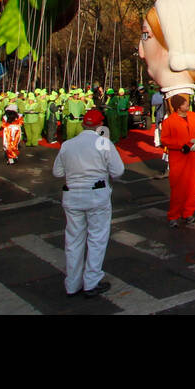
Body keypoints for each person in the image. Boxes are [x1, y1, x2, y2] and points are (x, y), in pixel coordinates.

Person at [53, 107, 125, 297]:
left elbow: (57, 172)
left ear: (83, 124)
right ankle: (91, 282)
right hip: (96, 195)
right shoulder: (103, 143)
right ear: (100, 125)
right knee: (96, 239)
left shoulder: (68, 145)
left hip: (72, 196)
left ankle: (72, 283)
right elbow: (118, 171)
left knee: (73, 240)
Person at [160, 93, 195, 226]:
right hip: (179, 159)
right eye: (184, 103)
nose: (187, 104)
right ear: (178, 107)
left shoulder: (194, 116)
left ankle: (188, 213)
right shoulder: (169, 121)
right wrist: (181, 146)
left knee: (194, 187)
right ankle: (173, 215)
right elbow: (164, 140)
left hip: (194, 158)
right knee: (178, 189)